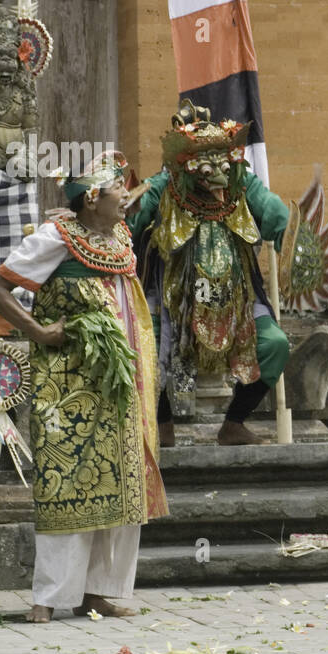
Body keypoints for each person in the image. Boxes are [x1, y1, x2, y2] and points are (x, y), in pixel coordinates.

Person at [0, 151, 168, 623]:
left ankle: (98, 593)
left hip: (122, 382)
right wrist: (40, 332)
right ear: (91, 199)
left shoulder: (121, 234)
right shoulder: (56, 237)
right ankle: (47, 597)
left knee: (123, 482)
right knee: (67, 481)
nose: (126, 195)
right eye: (116, 189)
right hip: (68, 382)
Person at [125, 101, 293, 446]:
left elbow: (274, 213)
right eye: (203, 158)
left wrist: (279, 223)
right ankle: (163, 423)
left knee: (274, 344)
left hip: (238, 297)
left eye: (220, 156)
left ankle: (233, 424)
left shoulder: (241, 183)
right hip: (172, 299)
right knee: (143, 348)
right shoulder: (162, 186)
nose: (213, 168)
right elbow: (128, 218)